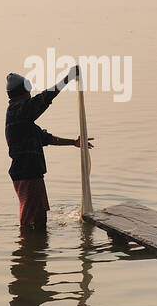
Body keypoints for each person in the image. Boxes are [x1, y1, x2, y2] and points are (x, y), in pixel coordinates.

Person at [5, 67, 94, 229]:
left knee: (38, 218)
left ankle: (33, 249)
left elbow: (46, 138)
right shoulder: (19, 112)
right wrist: (66, 79)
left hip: (30, 174)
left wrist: (74, 142)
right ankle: (29, 248)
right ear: (22, 93)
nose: (30, 95)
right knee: (31, 222)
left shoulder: (23, 120)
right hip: (27, 175)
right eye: (28, 91)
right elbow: (44, 99)